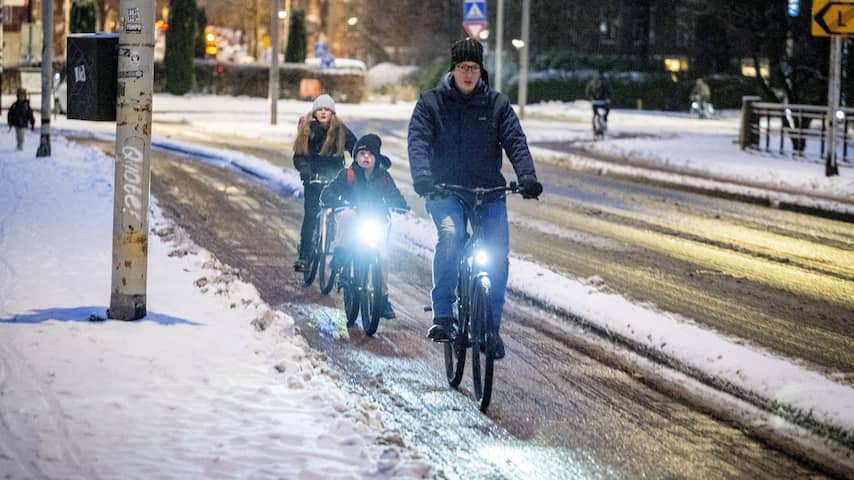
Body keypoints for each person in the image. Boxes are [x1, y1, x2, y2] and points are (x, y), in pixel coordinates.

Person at [408, 38, 542, 360]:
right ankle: (443, 316)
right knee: (451, 236)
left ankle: (489, 329)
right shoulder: (431, 103)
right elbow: (419, 141)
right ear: (452, 70)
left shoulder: (497, 104)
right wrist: (423, 176)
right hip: (444, 191)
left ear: (481, 71)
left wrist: (527, 177)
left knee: (497, 255)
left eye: (473, 68)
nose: (468, 74)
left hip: (488, 192)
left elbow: (516, 142)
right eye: (462, 67)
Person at [320, 133, 408, 319]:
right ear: (356, 157)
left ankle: (382, 299)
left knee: (383, 257)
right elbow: (329, 192)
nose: (366, 157)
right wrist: (336, 200)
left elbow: (394, 194)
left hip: (375, 218)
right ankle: (341, 255)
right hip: (352, 215)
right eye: (361, 154)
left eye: (370, 154)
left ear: (376, 158)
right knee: (346, 217)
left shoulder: (383, 177)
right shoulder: (348, 175)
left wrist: (399, 204)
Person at [292, 93, 357, 273]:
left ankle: (340, 251)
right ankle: (304, 255)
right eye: (319, 109)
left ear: (332, 112)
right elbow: (299, 156)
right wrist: (305, 171)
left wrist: (360, 163)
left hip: (335, 181)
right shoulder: (307, 130)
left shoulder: (341, 130)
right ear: (314, 112)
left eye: (327, 109)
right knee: (311, 215)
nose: (323, 112)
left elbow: (356, 147)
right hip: (313, 180)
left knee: (341, 214)